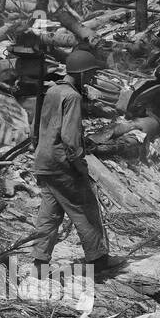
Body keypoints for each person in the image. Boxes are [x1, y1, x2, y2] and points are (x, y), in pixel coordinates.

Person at [25, 49, 121, 274]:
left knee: (49, 212)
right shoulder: (73, 97)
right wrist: (80, 165)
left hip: (44, 161)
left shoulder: (52, 91)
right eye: (89, 75)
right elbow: (70, 138)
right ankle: (98, 261)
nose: (91, 79)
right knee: (85, 209)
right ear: (80, 74)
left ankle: (40, 262)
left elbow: (37, 124)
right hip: (61, 164)